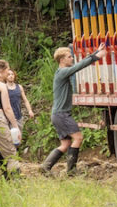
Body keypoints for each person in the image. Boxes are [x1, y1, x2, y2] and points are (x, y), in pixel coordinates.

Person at [41, 43, 107, 175]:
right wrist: (96, 57)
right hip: (61, 114)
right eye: (69, 57)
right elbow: (79, 66)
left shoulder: (61, 73)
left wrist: (95, 52)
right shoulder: (63, 72)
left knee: (65, 144)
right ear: (62, 60)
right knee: (78, 138)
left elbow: (78, 64)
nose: (72, 59)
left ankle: (46, 167)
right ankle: (71, 171)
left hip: (58, 114)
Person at [5, 69, 36, 151]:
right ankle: (11, 157)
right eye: (8, 74)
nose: (11, 76)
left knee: (18, 138)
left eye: (12, 74)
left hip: (18, 116)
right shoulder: (4, 88)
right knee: (10, 138)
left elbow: (25, 100)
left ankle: (16, 154)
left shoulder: (19, 87)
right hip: (8, 117)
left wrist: (30, 110)